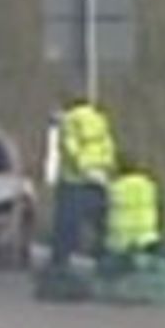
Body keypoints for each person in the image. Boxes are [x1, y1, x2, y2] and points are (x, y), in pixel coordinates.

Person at [47, 97, 118, 268]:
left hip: (74, 181)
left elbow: (70, 148)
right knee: (101, 226)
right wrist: (103, 169)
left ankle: (61, 265)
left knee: (66, 227)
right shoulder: (99, 118)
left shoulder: (70, 120)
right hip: (99, 179)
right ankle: (104, 261)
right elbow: (108, 146)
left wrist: (82, 167)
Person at [97, 153, 164, 277]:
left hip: (119, 245)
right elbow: (159, 209)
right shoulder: (149, 184)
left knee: (104, 270)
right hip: (147, 240)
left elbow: (102, 214)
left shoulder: (113, 188)